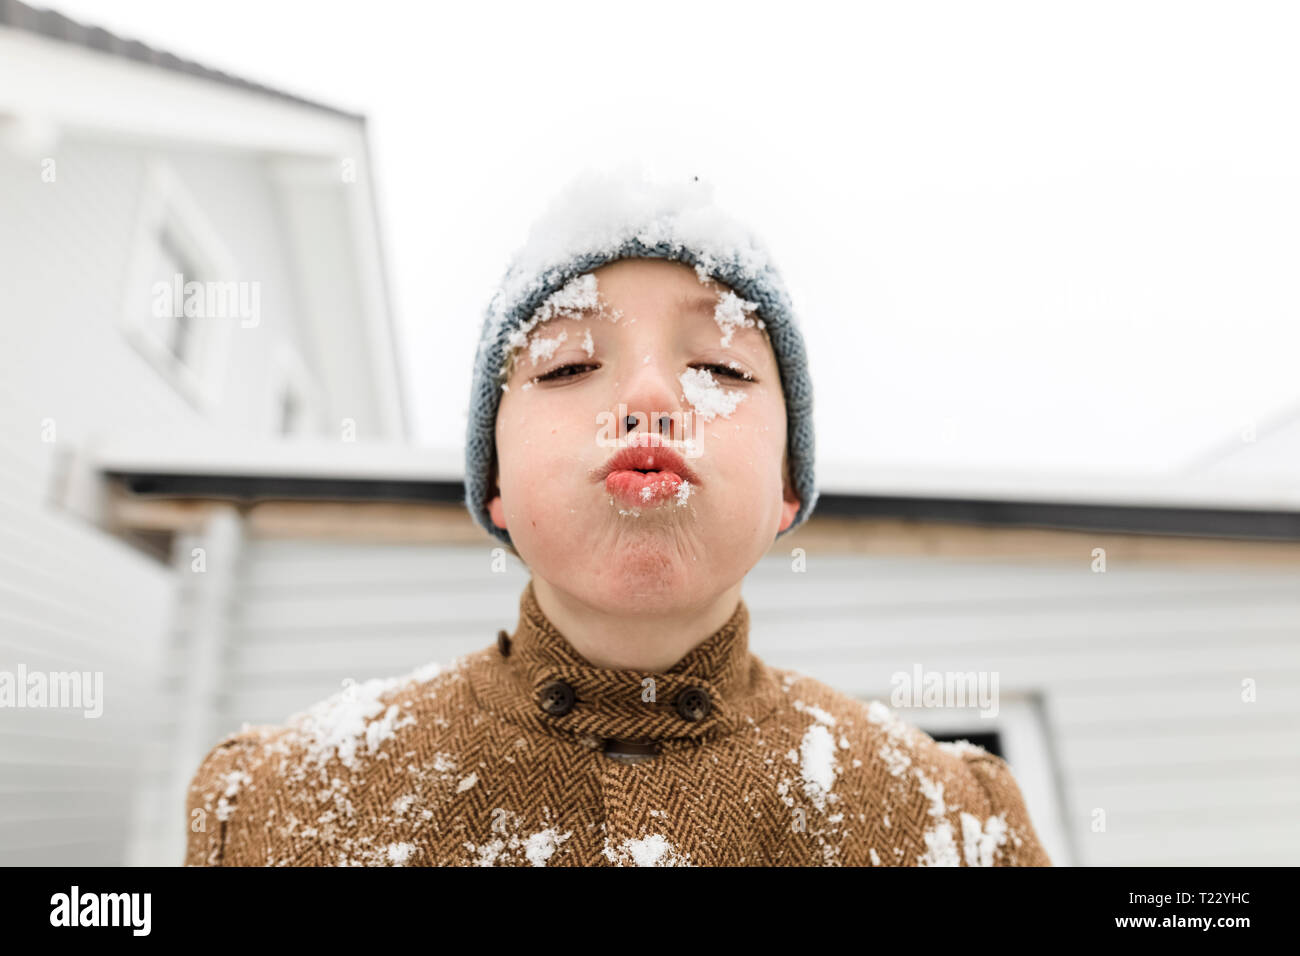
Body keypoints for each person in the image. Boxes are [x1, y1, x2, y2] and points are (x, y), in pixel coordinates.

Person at [185, 166, 1052, 866]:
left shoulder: (956, 823)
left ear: (790, 482)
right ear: (493, 484)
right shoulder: (271, 807)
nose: (648, 396)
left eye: (720, 365)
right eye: (566, 367)